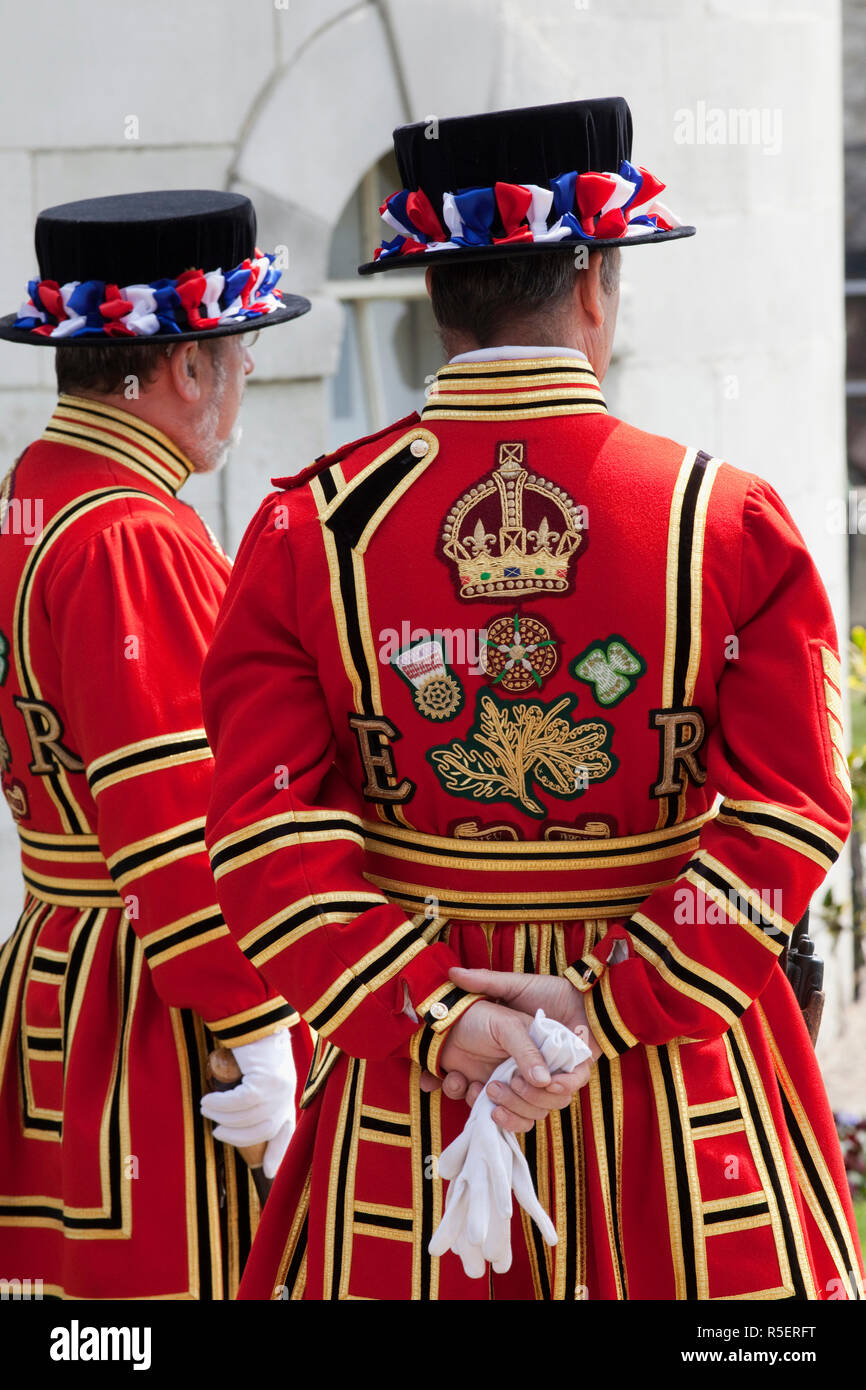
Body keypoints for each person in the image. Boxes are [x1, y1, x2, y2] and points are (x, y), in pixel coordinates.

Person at [201, 100, 864, 1300]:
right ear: (596, 282)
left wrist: (439, 1017)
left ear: (434, 297)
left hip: (417, 1085)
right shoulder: (722, 520)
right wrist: (609, 1004)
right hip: (676, 1082)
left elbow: (262, 837)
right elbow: (786, 821)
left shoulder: (307, 530)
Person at [0, 190, 313, 1299]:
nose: (245, 380)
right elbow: (186, 828)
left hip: (66, 962)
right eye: (239, 352)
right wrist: (263, 1024)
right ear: (186, 367)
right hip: (164, 1006)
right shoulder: (134, 532)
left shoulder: (36, 491)